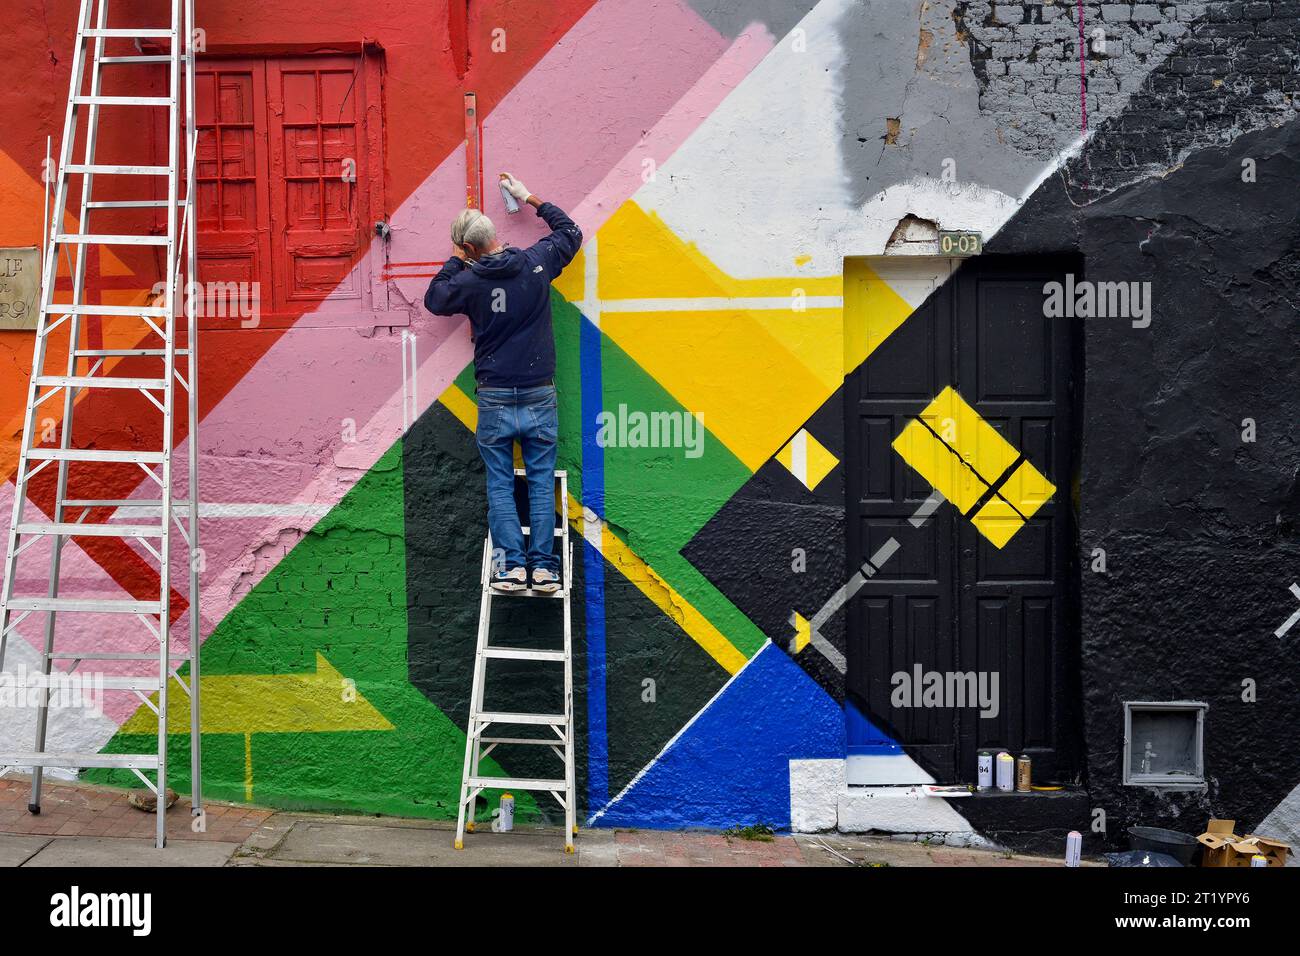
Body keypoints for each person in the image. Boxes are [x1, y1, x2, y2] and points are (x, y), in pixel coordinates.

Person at [424, 173, 582, 592]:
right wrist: (528, 196)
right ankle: (545, 569)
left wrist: (458, 259)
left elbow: (435, 298)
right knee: (540, 479)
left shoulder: (469, 280)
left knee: (500, 483)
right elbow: (570, 231)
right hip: (538, 394)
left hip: (494, 396)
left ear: (470, 248)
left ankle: (512, 568)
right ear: (494, 236)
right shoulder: (536, 263)